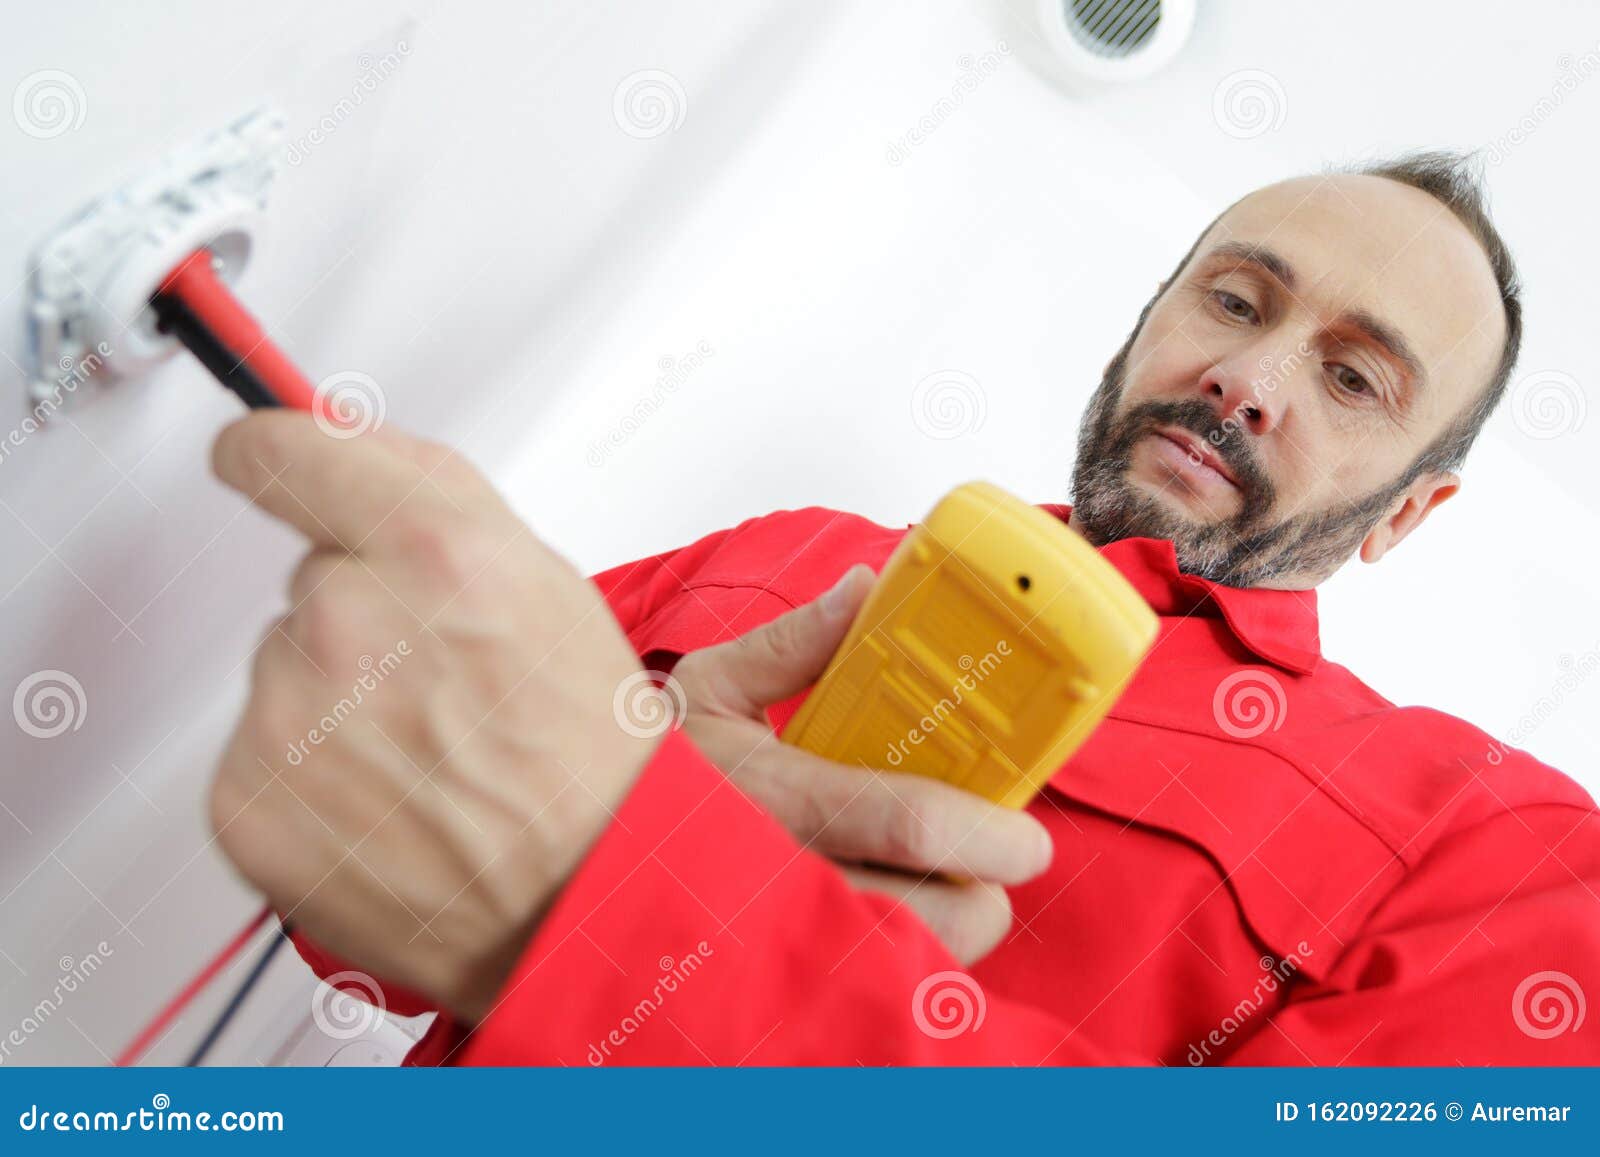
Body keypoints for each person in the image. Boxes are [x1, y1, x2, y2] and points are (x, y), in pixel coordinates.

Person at [207, 152, 1598, 1065]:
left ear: (1409, 512)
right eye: (1235, 299)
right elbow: (353, 905)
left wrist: (616, 903)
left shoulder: (1503, 848)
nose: (1249, 378)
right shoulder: (787, 554)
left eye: (1354, 380)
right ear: (1145, 324)